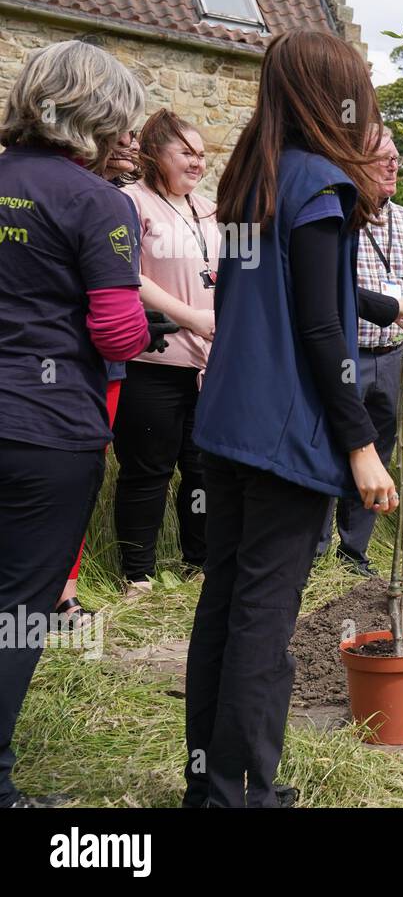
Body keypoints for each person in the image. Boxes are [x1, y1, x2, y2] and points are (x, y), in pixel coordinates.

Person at [185, 30, 403, 808]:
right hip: (284, 434)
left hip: (226, 421)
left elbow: (272, 301)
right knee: (261, 620)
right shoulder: (319, 184)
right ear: (334, 97)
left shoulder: (254, 177)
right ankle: (242, 793)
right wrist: (361, 445)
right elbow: (321, 328)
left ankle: (209, 785)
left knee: (223, 604)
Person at [0, 40, 153, 808]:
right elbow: (118, 332)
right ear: (96, 116)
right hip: (44, 427)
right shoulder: (99, 202)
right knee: (19, 611)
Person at [113, 109, 220, 597]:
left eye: (201, 154)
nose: (197, 163)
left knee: (201, 470)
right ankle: (137, 573)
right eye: (186, 153)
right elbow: (125, 273)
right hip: (153, 361)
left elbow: (237, 271)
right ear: (154, 153)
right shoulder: (129, 202)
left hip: (208, 367)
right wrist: (191, 316)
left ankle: (199, 561)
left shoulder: (213, 210)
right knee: (148, 469)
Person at [316, 126, 403, 577]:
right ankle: (315, 550)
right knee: (330, 446)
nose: (393, 165)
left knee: (380, 450)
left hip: (390, 356)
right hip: (344, 353)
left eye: (397, 158)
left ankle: (353, 552)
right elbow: (329, 286)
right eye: (382, 158)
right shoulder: (338, 214)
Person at [56, 125, 145, 628]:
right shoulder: (82, 196)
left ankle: (64, 594)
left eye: (137, 134)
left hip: (103, 366)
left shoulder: (118, 199)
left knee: (84, 475)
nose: (132, 143)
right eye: (122, 133)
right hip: (72, 361)